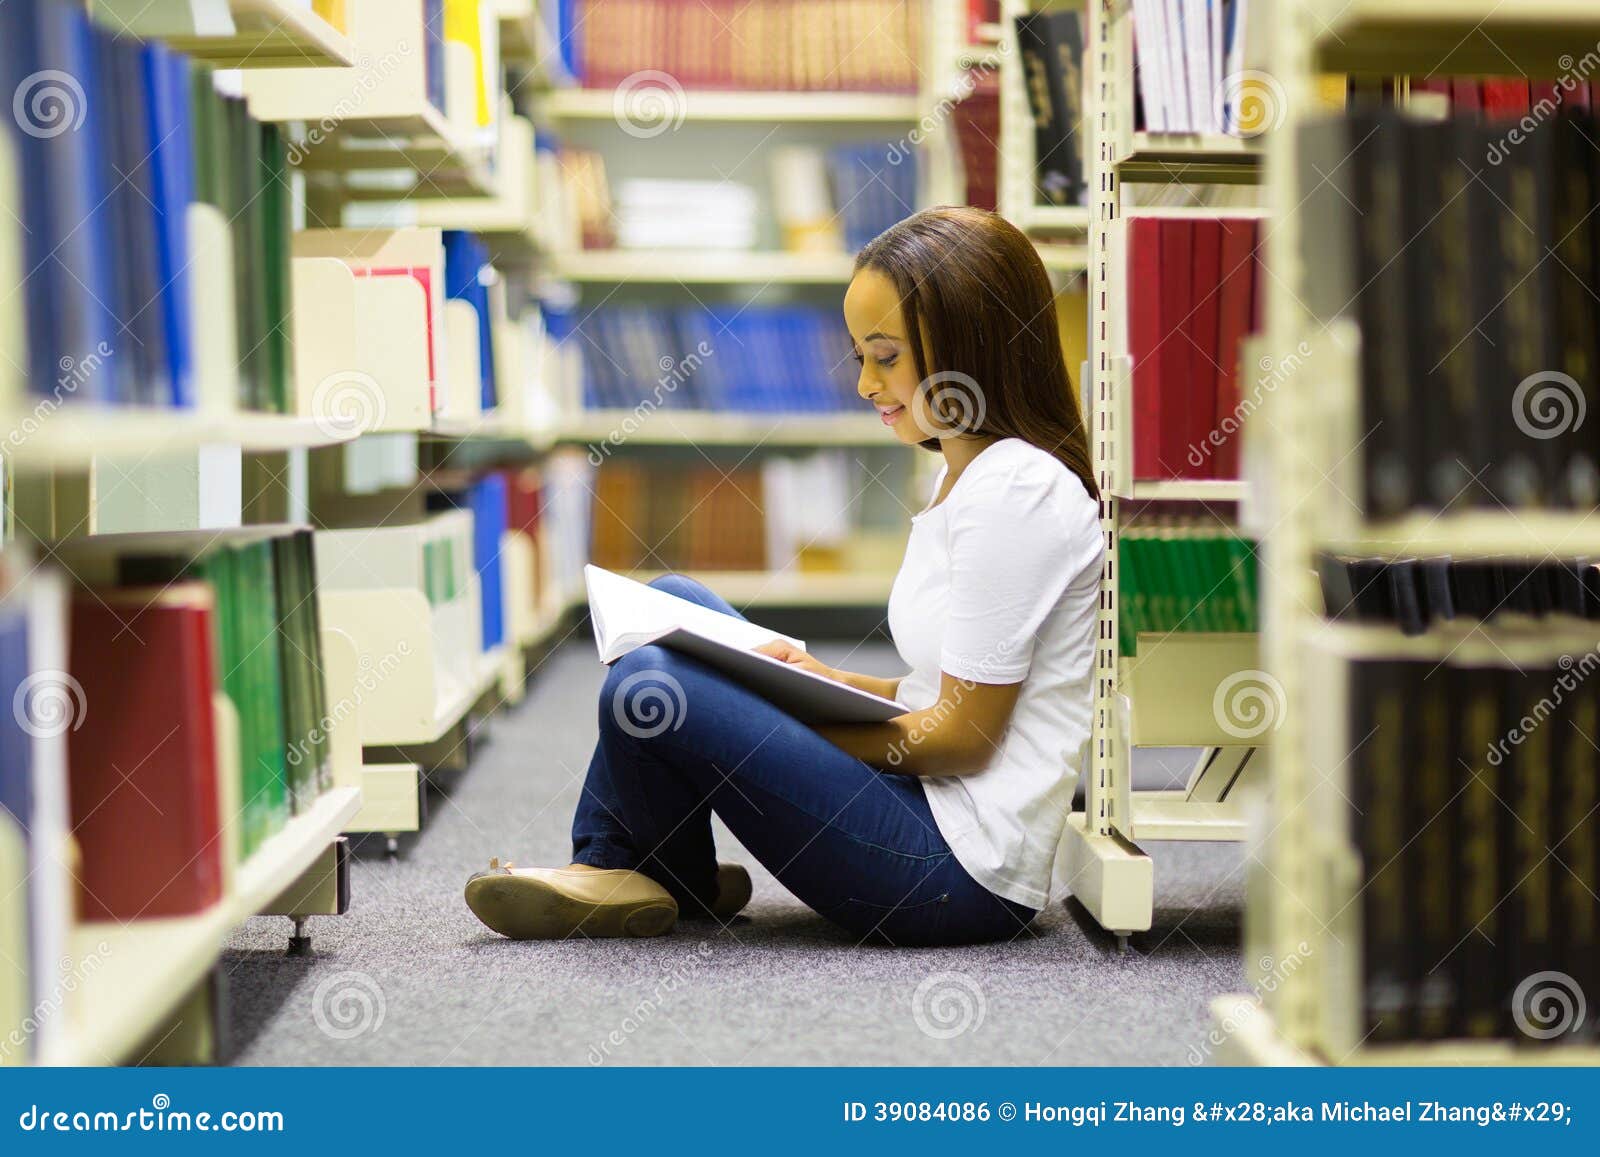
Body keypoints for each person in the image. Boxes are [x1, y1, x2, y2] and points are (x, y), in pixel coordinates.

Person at [465, 206, 1104, 947]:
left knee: (649, 685)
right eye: (859, 354)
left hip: (954, 872)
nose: (865, 382)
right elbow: (937, 688)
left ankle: (634, 869)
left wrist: (802, 719)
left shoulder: (1016, 492)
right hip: (919, 802)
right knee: (670, 603)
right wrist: (816, 677)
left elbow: (961, 738)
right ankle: (647, 873)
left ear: (971, 345)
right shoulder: (965, 475)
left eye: (885, 355)